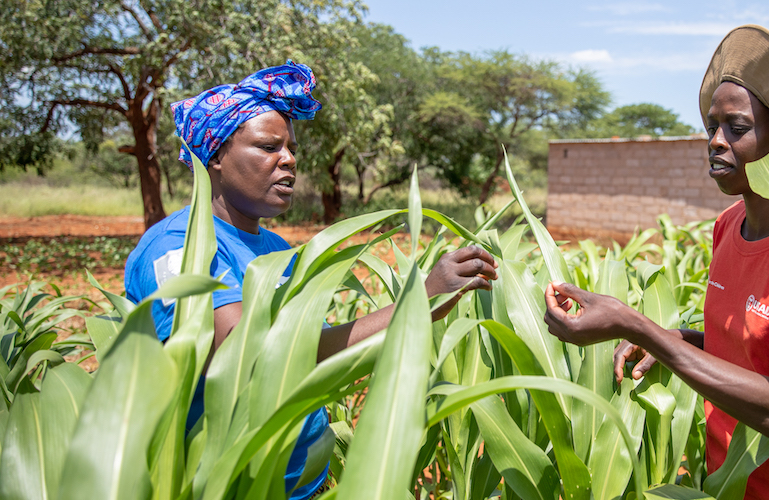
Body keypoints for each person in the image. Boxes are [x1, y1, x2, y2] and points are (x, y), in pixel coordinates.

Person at [124, 61, 497, 499]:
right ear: (216, 157)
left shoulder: (276, 250)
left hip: (298, 484)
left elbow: (317, 350)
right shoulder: (179, 247)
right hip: (228, 486)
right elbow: (245, 356)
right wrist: (419, 300)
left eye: (291, 148)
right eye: (267, 146)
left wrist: (428, 306)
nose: (289, 159)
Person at [543, 25, 769, 500]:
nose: (716, 141)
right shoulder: (728, 226)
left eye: (738, 128)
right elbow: (749, 350)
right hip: (723, 481)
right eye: (712, 127)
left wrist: (636, 327)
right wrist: (675, 339)